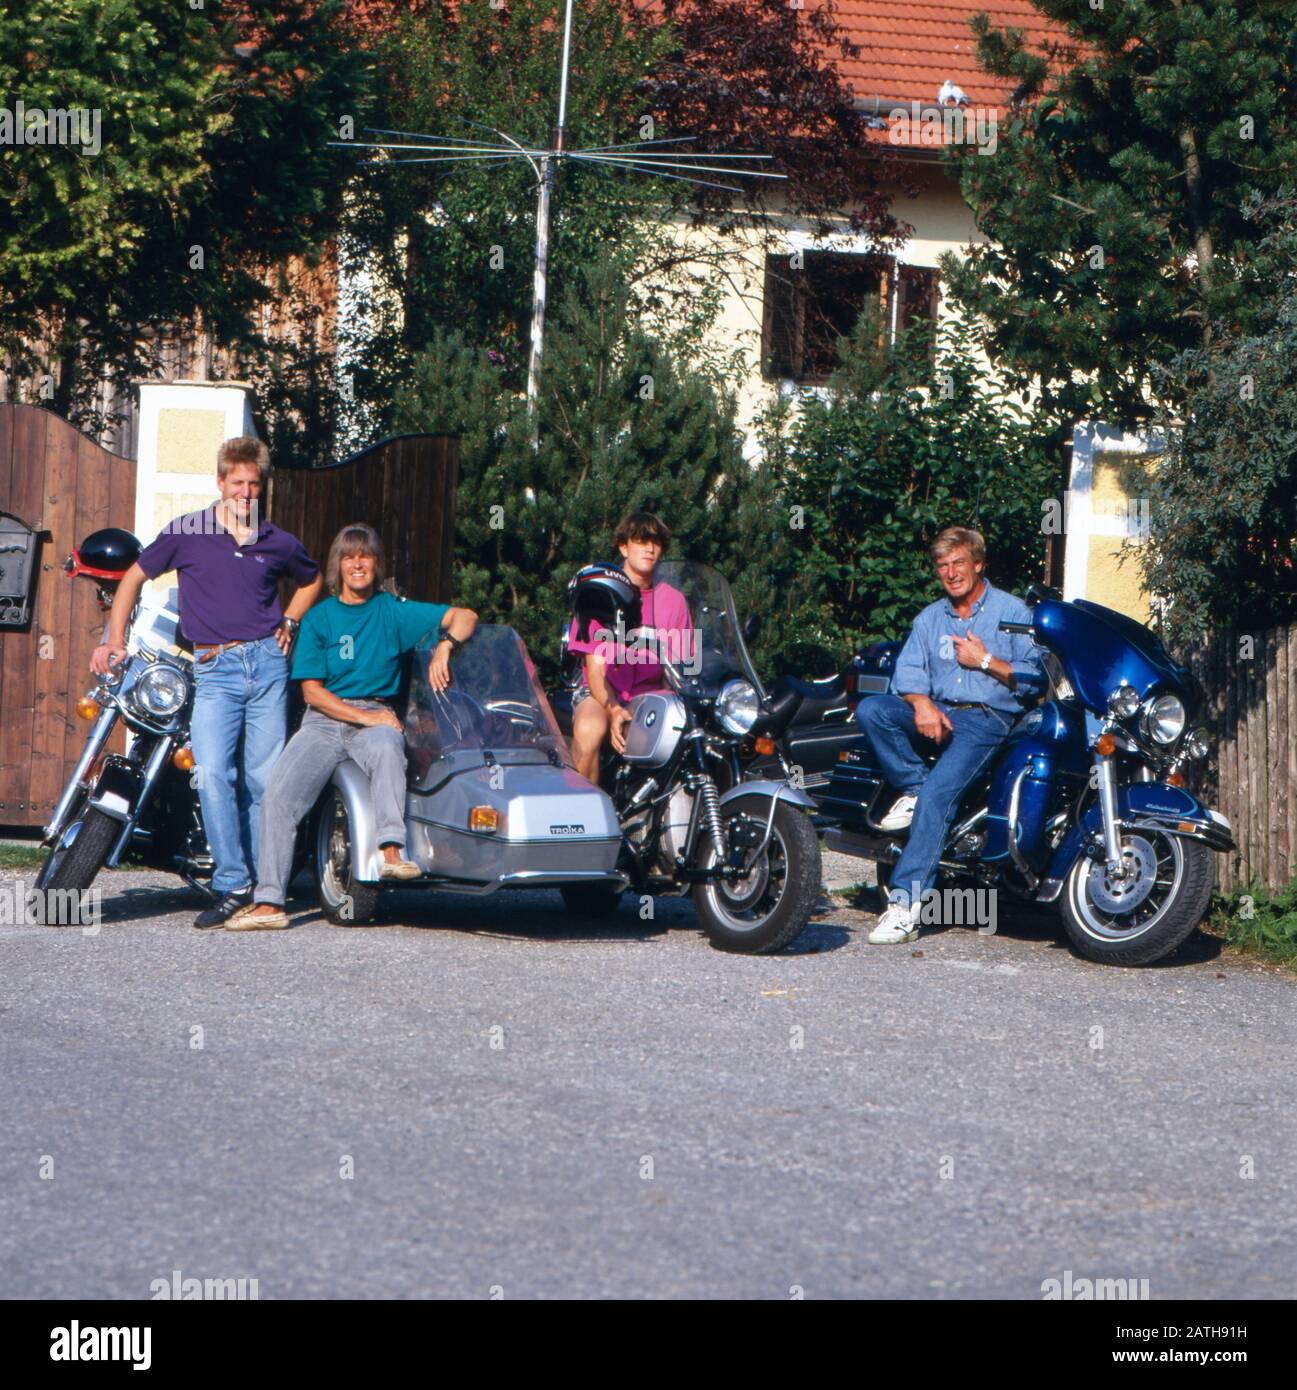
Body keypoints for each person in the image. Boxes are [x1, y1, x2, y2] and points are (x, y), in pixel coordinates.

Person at [91, 437, 323, 929]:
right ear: (220, 483)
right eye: (236, 483)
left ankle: (268, 890)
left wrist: (292, 620)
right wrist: (114, 641)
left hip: (267, 666)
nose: (244, 492)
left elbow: (312, 579)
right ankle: (232, 884)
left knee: (264, 781)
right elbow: (132, 579)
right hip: (214, 670)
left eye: (253, 484)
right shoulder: (187, 533)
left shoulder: (276, 539)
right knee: (215, 774)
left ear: (262, 488)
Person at [228, 523, 477, 930]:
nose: (357, 563)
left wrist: (445, 646)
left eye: (365, 556)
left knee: (386, 747)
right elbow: (311, 692)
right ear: (337, 566)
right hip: (324, 721)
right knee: (278, 795)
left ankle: (392, 853)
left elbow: (465, 615)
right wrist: (363, 716)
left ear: (376, 564)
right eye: (348, 557)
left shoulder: (393, 612)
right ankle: (270, 903)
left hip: (374, 715)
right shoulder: (320, 617)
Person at [856, 526, 1046, 945]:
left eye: (959, 562)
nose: (951, 572)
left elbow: (1034, 680)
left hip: (988, 719)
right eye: (942, 565)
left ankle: (904, 906)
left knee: (939, 796)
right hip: (939, 714)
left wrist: (986, 660)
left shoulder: (1014, 612)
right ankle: (911, 784)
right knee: (872, 709)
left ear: (979, 564)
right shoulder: (930, 618)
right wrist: (922, 706)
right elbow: (906, 674)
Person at [567, 511, 691, 784]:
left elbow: (677, 670)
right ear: (624, 546)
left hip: (650, 695)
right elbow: (596, 671)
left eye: (656, 542)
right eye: (641, 540)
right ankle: (586, 815)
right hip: (601, 693)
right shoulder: (600, 592)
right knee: (590, 729)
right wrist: (612, 709)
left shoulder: (675, 601)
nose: (650, 548)